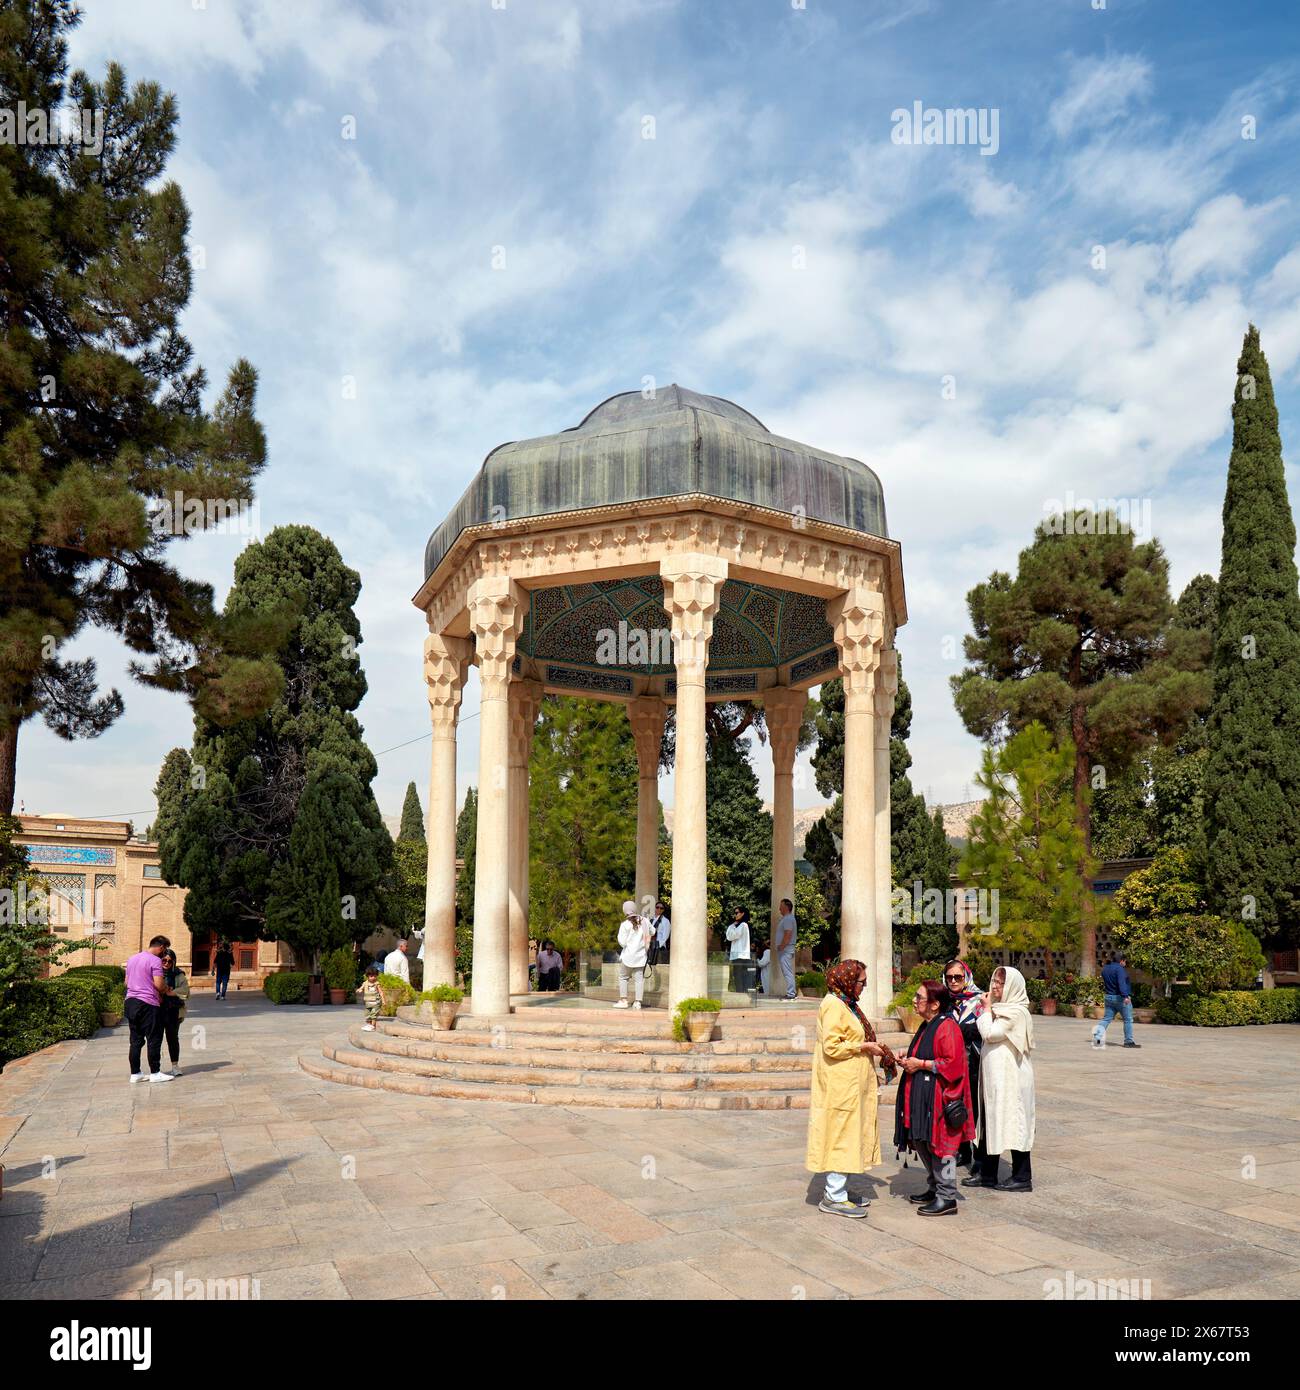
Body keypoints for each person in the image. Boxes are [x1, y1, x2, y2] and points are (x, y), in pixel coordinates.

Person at [807, 960, 897, 1218]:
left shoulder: (847, 1005)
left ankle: (839, 1191)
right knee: (840, 1135)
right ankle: (834, 1196)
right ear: (847, 980)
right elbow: (832, 1046)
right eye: (861, 982)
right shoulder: (834, 1005)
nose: (864, 987)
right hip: (840, 1085)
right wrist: (864, 1048)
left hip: (850, 1084)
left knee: (850, 1134)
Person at [893, 980, 975, 1216]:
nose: (914, 1001)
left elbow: (954, 1064)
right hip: (924, 1096)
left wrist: (921, 1064)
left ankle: (947, 1196)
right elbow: (923, 1054)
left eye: (919, 997)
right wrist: (908, 1058)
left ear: (935, 1004)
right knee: (921, 1140)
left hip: (942, 1098)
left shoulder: (947, 1027)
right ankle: (934, 1186)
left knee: (944, 1148)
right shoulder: (927, 1025)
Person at [964, 965, 1036, 1192]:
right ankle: (987, 1173)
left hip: (1011, 1078)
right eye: (995, 981)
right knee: (988, 1121)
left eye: (1001, 983)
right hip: (995, 1077)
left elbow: (990, 1033)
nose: (995, 986)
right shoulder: (999, 1008)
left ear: (1013, 986)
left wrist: (986, 1011)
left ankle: (1022, 1177)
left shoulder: (1016, 1012)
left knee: (1015, 1122)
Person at [944, 960, 987, 1172]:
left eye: (958, 977)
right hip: (953, 1064)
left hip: (975, 1063)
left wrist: (962, 1032)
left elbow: (984, 1028)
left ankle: (980, 1157)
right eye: (949, 977)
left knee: (976, 1110)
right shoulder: (944, 1001)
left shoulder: (979, 1000)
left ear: (966, 977)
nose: (953, 981)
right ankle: (962, 1150)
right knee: (955, 1105)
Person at [125, 935, 174, 1084]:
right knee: (154, 1038)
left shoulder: (132, 959)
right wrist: (166, 990)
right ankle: (155, 1073)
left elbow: (126, 982)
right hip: (147, 1004)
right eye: (164, 950)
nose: (163, 953)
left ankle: (135, 1073)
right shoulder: (155, 961)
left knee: (135, 1040)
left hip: (130, 1002)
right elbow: (159, 984)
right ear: (161, 947)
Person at [1093, 952, 1141, 1049]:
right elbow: (1121, 983)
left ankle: (1097, 1037)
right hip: (1120, 998)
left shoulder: (1106, 968)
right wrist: (1125, 996)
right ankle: (1128, 1041)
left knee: (1106, 1019)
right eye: (1125, 961)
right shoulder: (1119, 969)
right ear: (1121, 961)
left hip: (1108, 997)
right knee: (1128, 1020)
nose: (1125, 963)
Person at [159, 949, 190, 1077]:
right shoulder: (155, 972)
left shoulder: (178, 974)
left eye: (169, 961)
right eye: (164, 960)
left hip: (173, 1011)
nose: (166, 963)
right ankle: (155, 1068)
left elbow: (185, 990)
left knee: (172, 1038)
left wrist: (171, 992)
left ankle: (175, 1066)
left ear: (173, 962)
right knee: (155, 1039)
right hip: (157, 1010)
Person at [614, 900, 651, 1009]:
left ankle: (623, 1000)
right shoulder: (645, 921)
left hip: (628, 957)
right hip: (641, 957)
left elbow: (622, 942)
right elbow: (653, 931)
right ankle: (638, 1002)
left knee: (623, 977)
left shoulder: (625, 925)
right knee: (639, 979)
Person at [773, 897, 798, 1000]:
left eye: (781, 906)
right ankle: (791, 992)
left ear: (786, 907)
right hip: (786, 949)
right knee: (787, 971)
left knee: (787, 971)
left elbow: (788, 934)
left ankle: (791, 994)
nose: (779, 909)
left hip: (785, 949)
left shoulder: (788, 919)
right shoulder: (787, 918)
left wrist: (782, 946)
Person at [725, 906, 752, 993]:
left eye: (737, 913)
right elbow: (729, 937)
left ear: (742, 913)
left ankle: (740, 994)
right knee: (738, 977)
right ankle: (740, 993)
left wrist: (732, 925)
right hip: (738, 955)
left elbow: (731, 936)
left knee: (739, 977)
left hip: (741, 956)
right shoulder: (739, 926)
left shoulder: (743, 925)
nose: (735, 915)